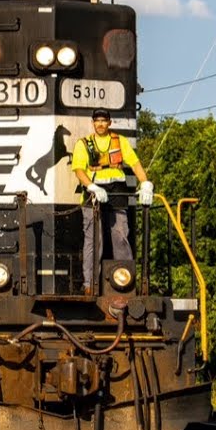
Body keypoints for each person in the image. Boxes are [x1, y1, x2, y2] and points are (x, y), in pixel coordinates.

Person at [71, 108, 154, 293]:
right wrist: (91, 186)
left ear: (110, 122)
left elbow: (135, 163)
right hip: (93, 193)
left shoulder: (120, 141)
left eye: (104, 120)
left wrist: (145, 183)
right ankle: (89, 285)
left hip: (117, 193)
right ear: (93, 123)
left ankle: (124, 282)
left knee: (120, 235)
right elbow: (79, 170)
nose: (100, 124)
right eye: (97, 121)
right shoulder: (83, 144)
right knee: (94, 240)